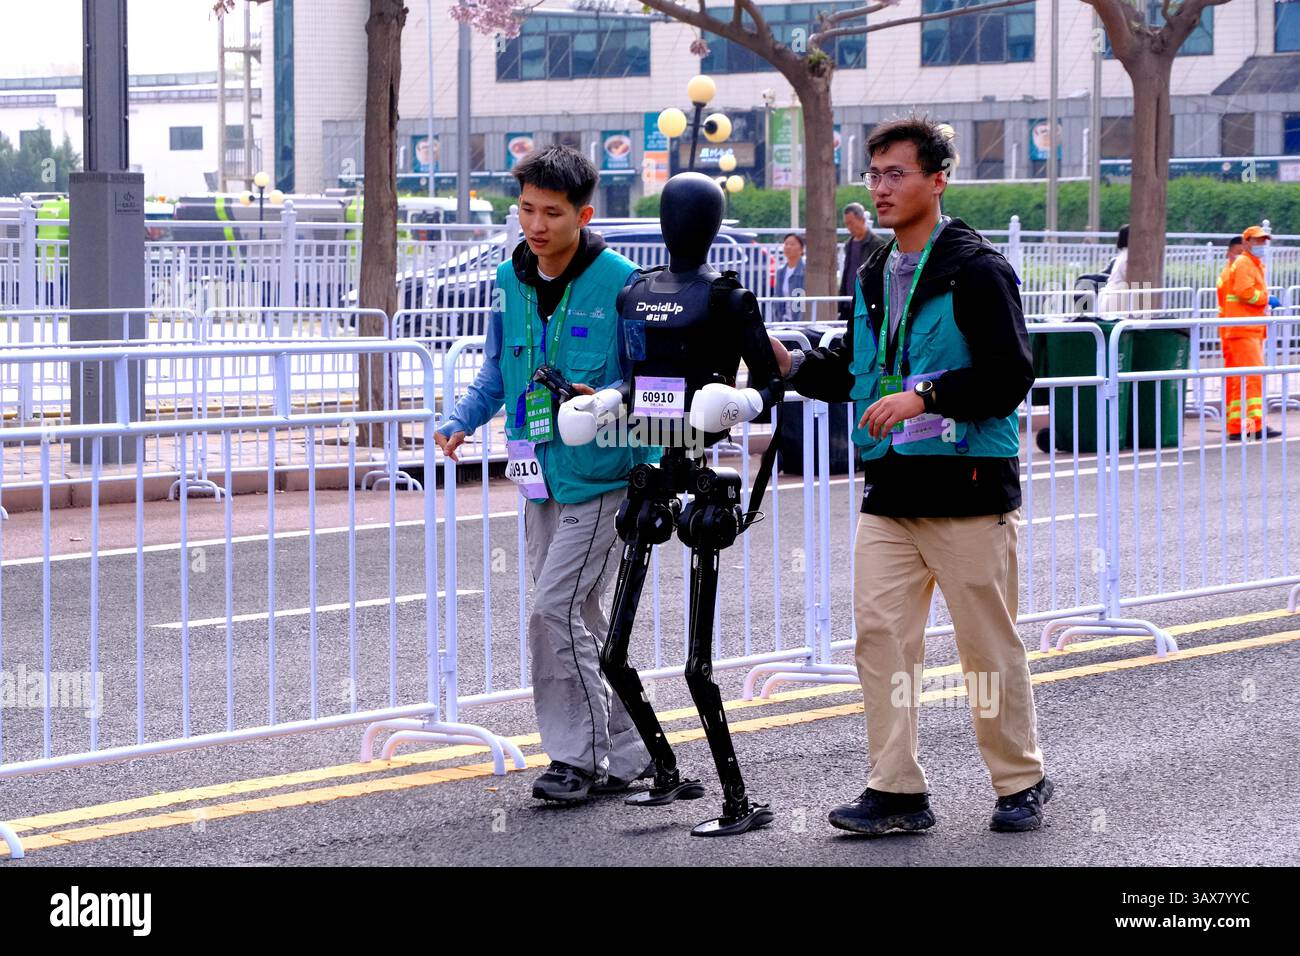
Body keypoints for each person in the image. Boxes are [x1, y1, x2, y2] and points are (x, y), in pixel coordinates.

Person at [777, 115, 1051, 835]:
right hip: (891, 493)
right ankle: (896, 791)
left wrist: (926, 397)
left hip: (967, 490)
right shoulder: (872, 272)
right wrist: (793, 365)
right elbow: (858, 371)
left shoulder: (977, 269)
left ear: (938, 180)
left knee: (986, 647)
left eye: (896, 174)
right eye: (874, 175)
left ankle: (1019, 780)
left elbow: (1010, 374)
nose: (881, 188)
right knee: (881, 640)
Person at [435, 145, 651, 802]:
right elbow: (500, 369)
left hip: (603, 476)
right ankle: (631, 753)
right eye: (526, 209)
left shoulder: (623, 282)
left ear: (583, 213)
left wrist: (603, 399)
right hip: (539, 476)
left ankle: (575, 758)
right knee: (577, 614)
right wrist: (463, 418)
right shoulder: (508, 279)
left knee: (552, 612)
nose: (536, 224)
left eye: (552, 212)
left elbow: (647, 382)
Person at [1221, 225, 1282, 440]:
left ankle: (1242, 427)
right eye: (1257, 240)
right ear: (1246, 243)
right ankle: (1252, 427)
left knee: (1243, 379)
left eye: (1264, 241)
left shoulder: (1252, 264)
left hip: (1247, 329)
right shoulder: (1246, 263)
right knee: (1252, 378)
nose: (1261, 245)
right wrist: (1267, 299)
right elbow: (1244, 291)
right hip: (1244, 329)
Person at [838, 202, 887, 323]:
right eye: (846, 224)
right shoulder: (849, 244)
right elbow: (846, 272)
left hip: (866, 301)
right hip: (848, 301)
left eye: (851, 223)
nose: (849, 227)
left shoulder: (877, 244)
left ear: (862, 219)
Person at [772, 232, 806, 322]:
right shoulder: (781, 271)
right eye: (786, 244)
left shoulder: (805, 271)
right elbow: (777, 297)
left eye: (792, 244)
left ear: (801, 249)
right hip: (783, 320)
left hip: (799, 322)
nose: (788, 247)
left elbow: (802, 301)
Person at [1097, 224, 1129, 316]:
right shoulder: (1129, 257)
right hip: (1116, 300)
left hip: (1111, 297)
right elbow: (1131, 279)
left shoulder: (1123, 255)